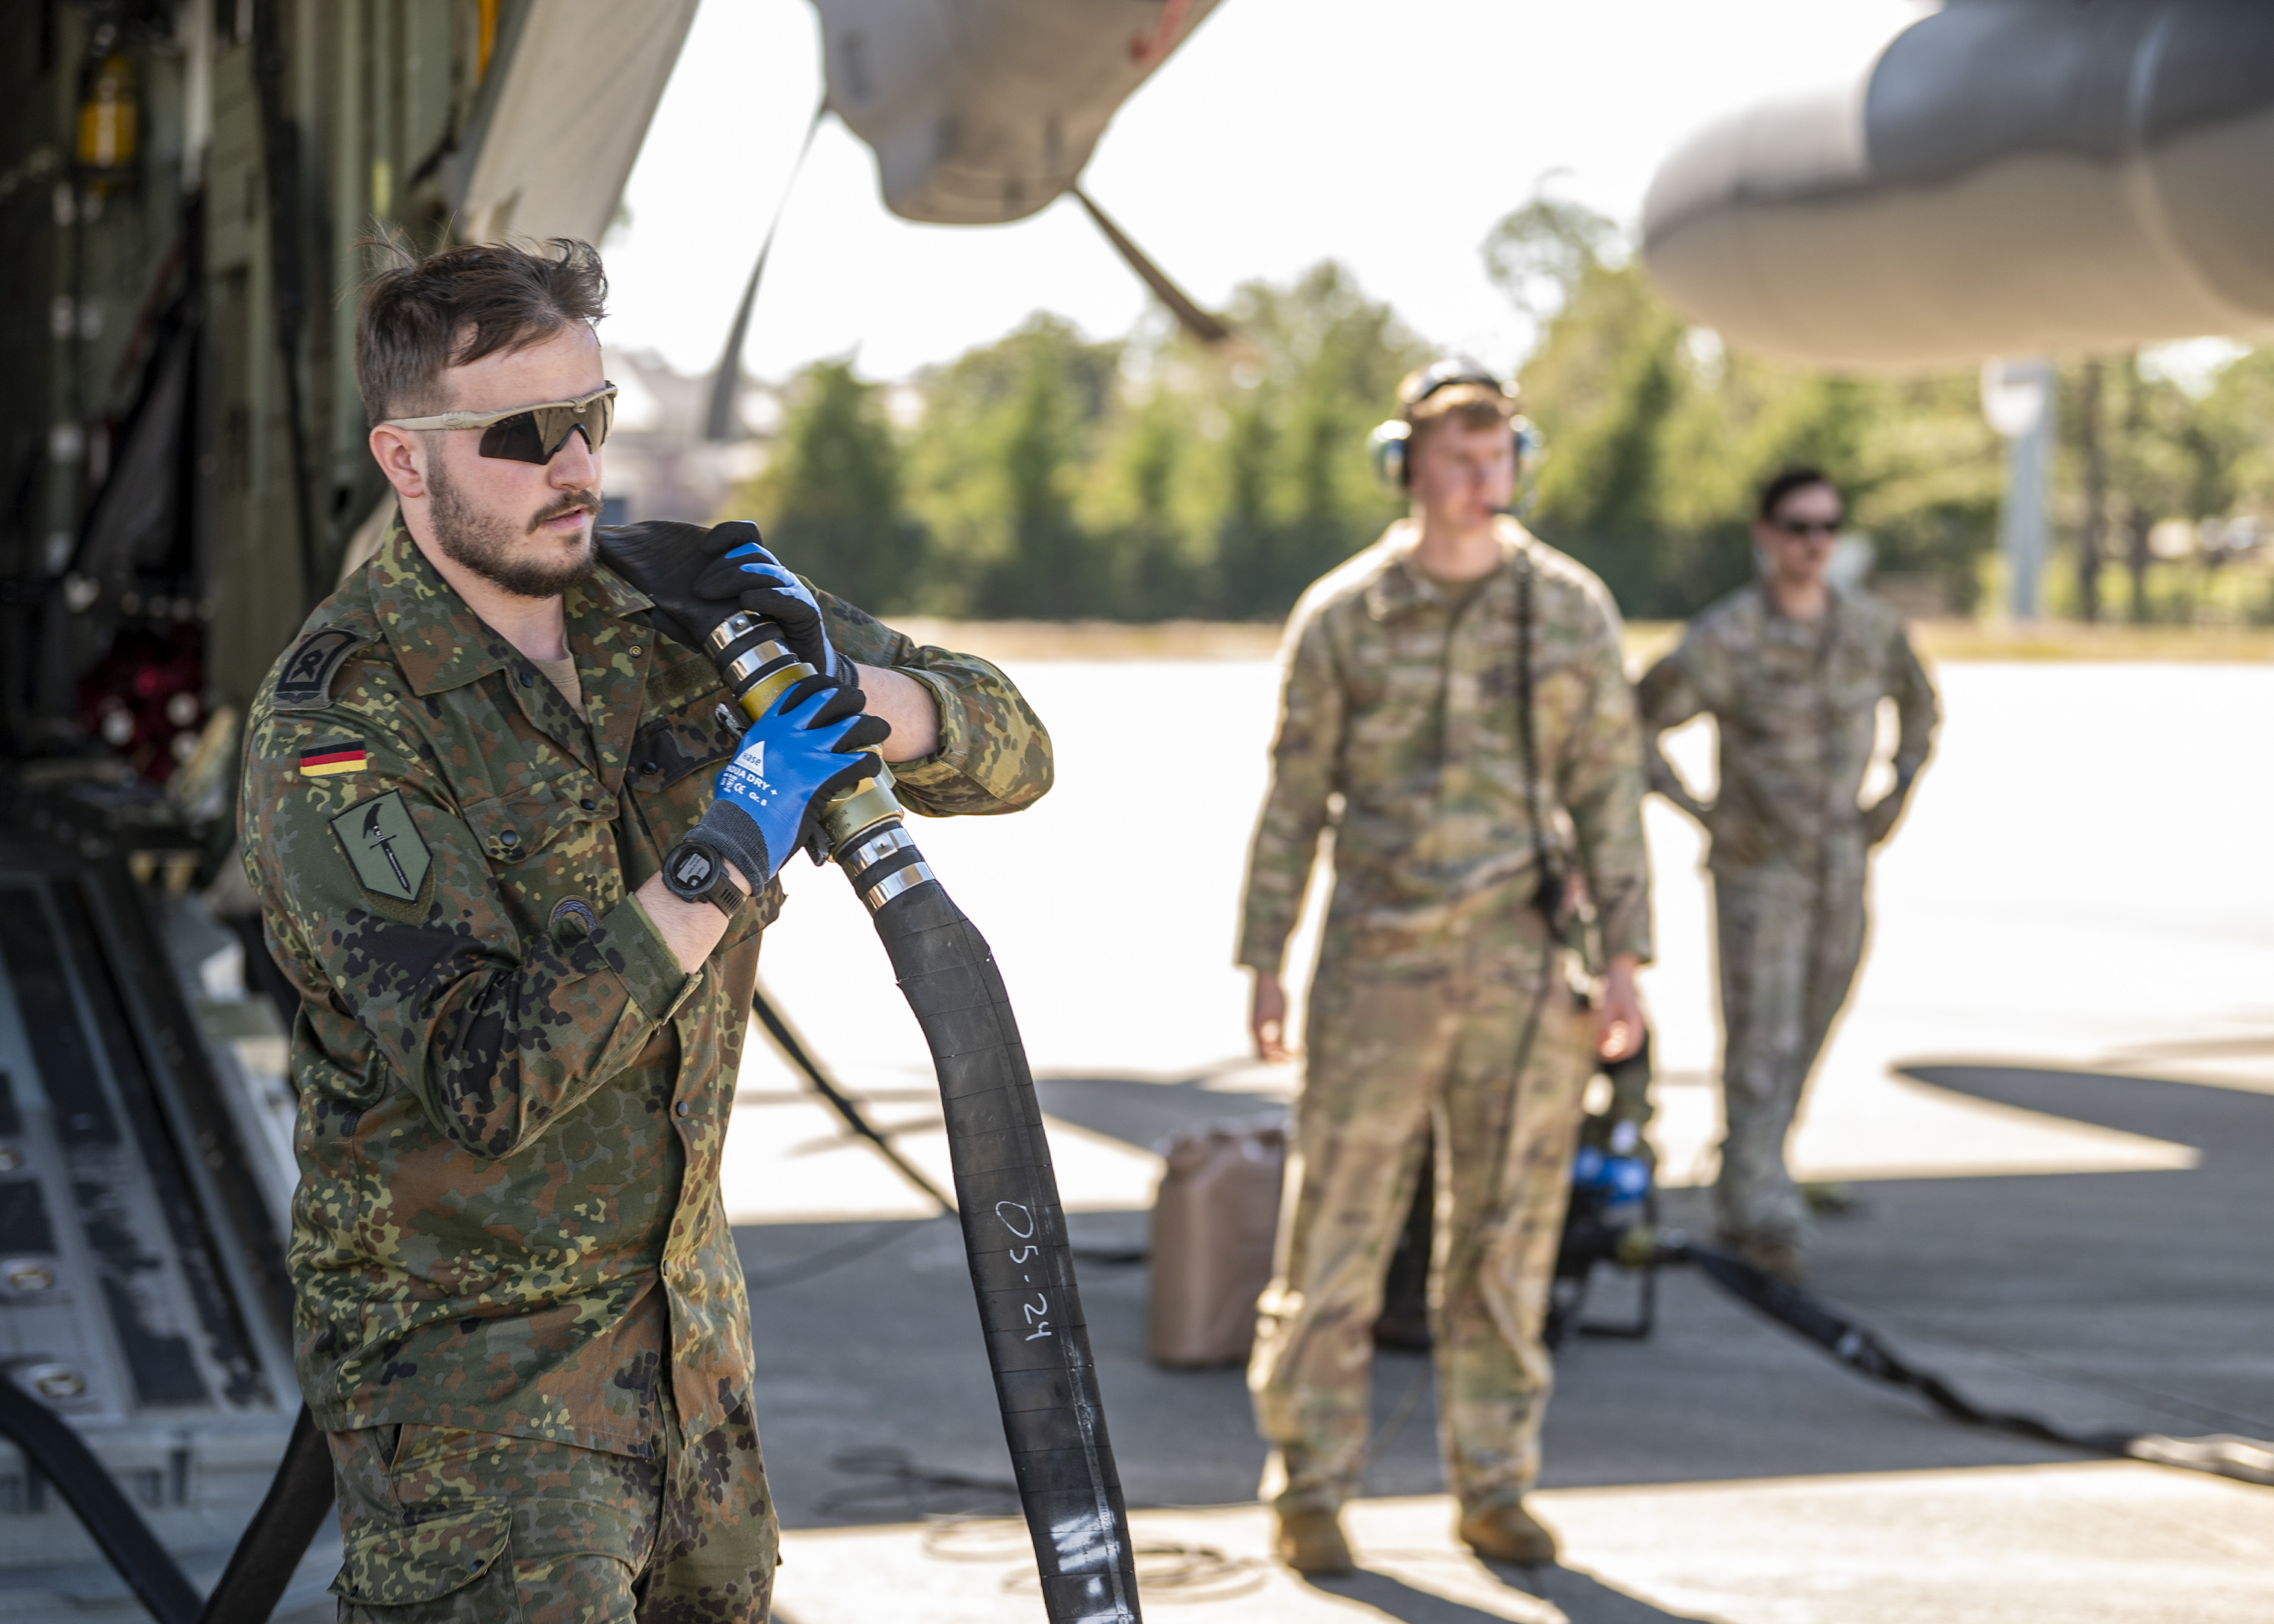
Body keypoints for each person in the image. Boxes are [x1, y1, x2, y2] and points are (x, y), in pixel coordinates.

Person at [237, 238, 1052, 1622]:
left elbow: (1016, 750)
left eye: (592, 418)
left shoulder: (671, 608)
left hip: (695, 1373)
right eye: (521, 432)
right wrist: (725, 848)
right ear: (403, 457)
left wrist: (855, 690)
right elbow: (492, 1078)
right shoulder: (339, 727)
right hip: (480, 1412)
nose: (573, 466)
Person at [1237, 361, 1651, 1575]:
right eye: (1456, 457)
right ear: (1403, 466)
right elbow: (1293, 797)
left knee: (1508, 1241)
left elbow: (1607, 794)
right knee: (1336, 1235)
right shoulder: (1346, 614)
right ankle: (1306, 1483)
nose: (1480, 480)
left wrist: (1622, 960)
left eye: (1497, 455)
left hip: (1523, 974)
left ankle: (1494, 1485)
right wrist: (1265, 955)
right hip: (1374, 970)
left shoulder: (1568, 609)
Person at [1635, 468, 1938, 1284]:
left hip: (1839, 866)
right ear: (1764, 534)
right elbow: (1633, 723)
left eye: (1826, 528)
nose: (1813, 543)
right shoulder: (1728, 636)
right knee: (1759, 1039)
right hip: (1756, 871)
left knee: (1811, 1021)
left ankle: (1757, 1162)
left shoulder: (1869, 629)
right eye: (1797, 526)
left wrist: (1892, 794)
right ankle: (1758, 1207)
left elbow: (1919, 706)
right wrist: (1702, 811)